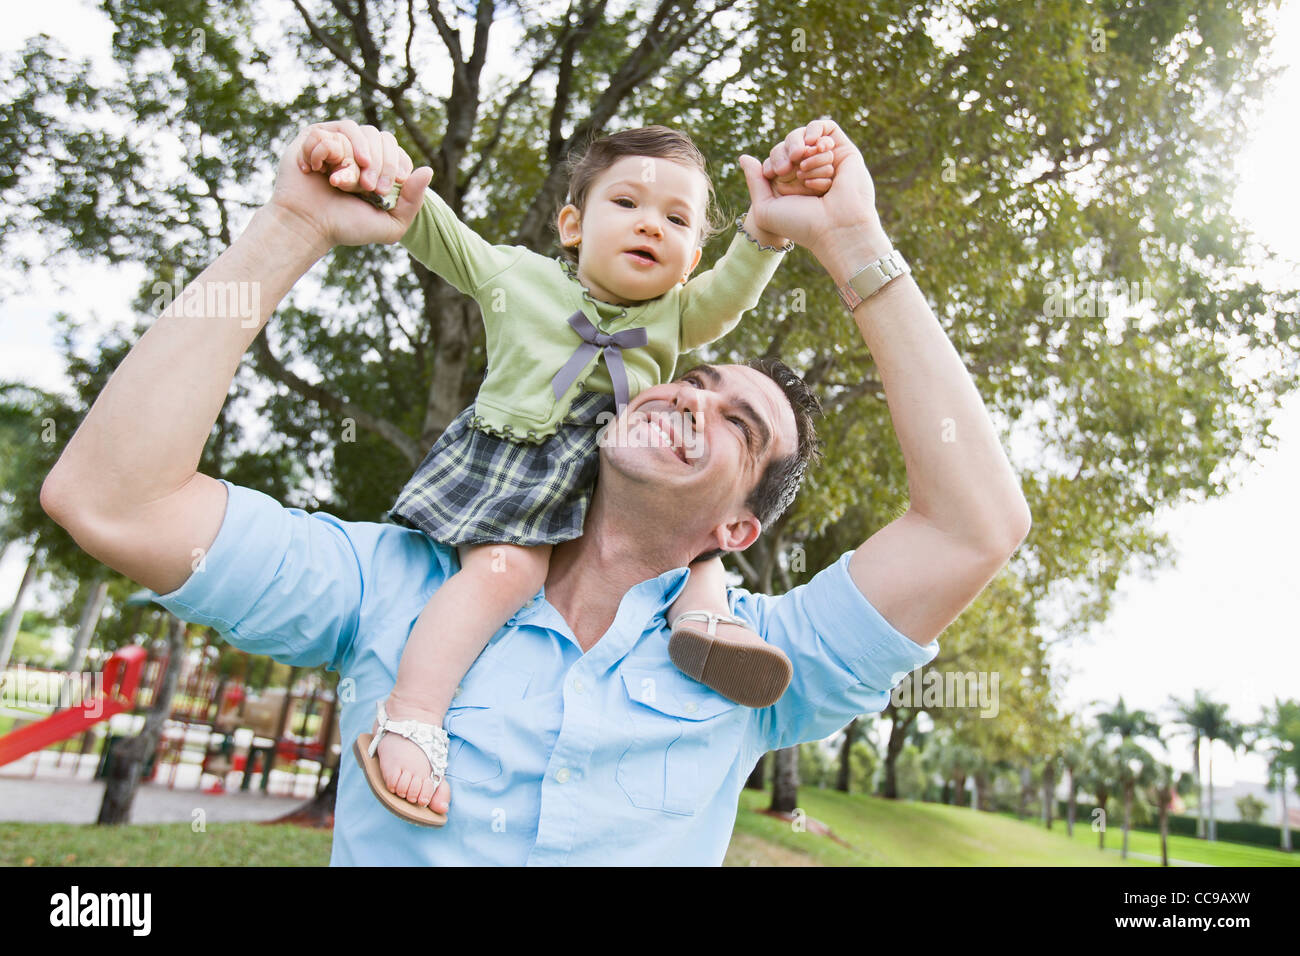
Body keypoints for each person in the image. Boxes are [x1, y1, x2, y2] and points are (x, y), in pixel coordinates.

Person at [40, 117, 1031, 866]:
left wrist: (850, 234)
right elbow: (113, 501)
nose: (688, 395)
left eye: (735, 421)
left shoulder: (761, 670)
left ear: (736, 524)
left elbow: (972, 526)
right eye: (688, 380)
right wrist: (291, 227)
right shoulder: (387, 580)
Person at [294, 121, 838, 826]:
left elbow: (732, 293)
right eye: (628, 205)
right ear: (573, 224)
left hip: (605, 480)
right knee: (507, 576)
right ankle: (411, 716)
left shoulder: (675, 314)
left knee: (696, 540)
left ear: (691, 256)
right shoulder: (521, 278)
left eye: (675, 220)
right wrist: (384, 181)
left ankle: (708, 622)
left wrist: (767, 231)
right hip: (520, 467)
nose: (651, 226)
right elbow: (446, 239)